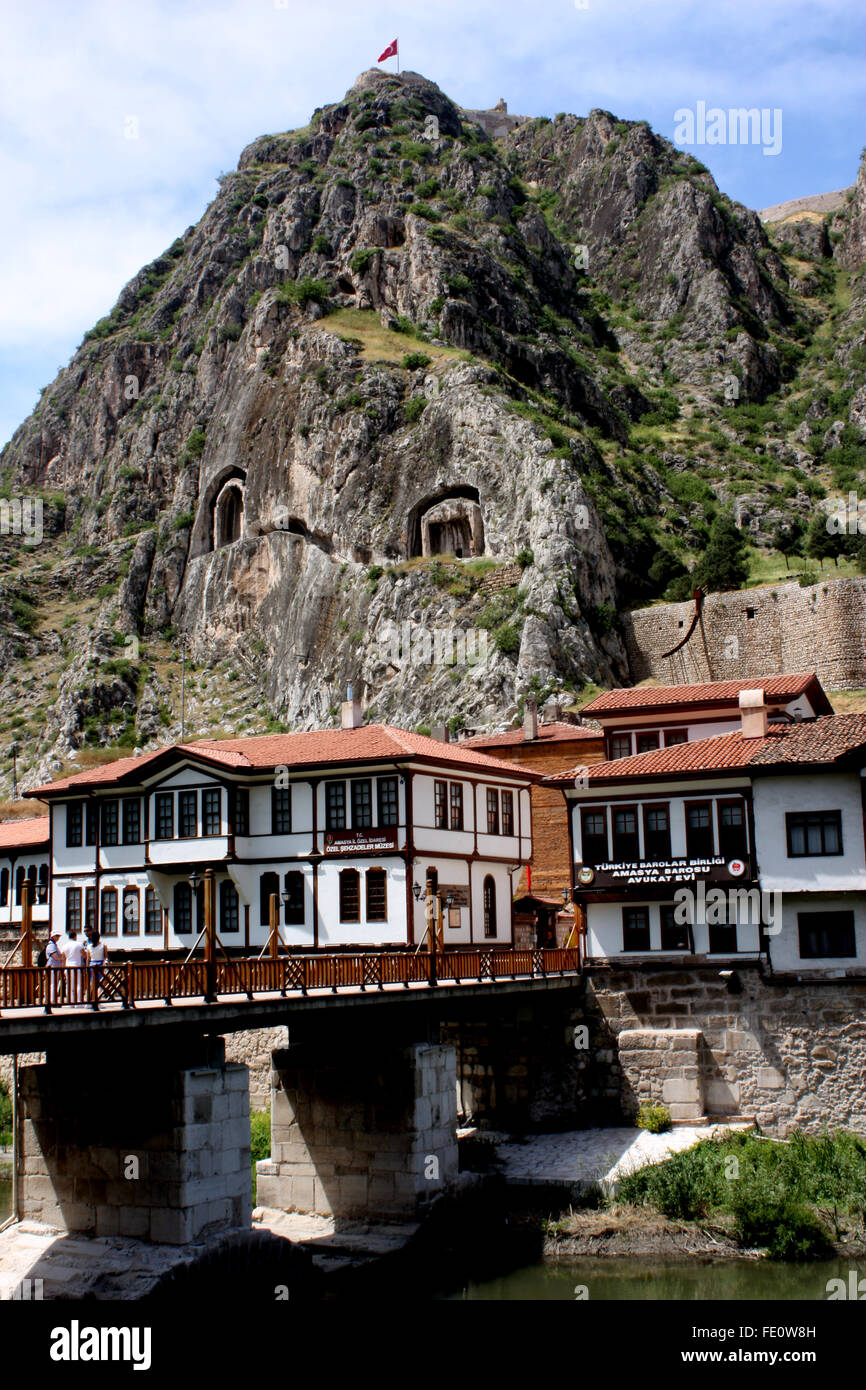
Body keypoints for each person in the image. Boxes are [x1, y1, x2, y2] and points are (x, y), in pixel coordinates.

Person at [85, 930, 107, 1011]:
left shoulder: (89, 946)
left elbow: (88, 959)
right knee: (100, 984)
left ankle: (89, 1001)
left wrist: (86, 967)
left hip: (92, 964)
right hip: (100, 964)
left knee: (91, 984)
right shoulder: (103, 945)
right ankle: (98, 1001)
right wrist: (104, 965)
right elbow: (105, 957)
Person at [64, 927, 85, 1004]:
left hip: (68, 966)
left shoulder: (65, 945)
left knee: (69, 984)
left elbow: (63, 958)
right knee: (78, 984)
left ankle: (70, 1001)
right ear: (75, 936)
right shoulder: (79, 944)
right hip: (77, 965)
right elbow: (83, 955)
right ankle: (78, 1001)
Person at [44, 930, 65, 1006]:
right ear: (52, 936)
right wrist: (63, 958)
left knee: (54, 984)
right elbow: (55, 957)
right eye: (56, 936)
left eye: (58, 936)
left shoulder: (54, 945)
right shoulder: (51, 945)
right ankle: (52, 1001)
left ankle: (52, 1000)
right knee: (53, 984)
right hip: (53, 967)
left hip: (55, 967)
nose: (58, 938)